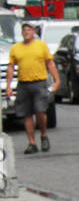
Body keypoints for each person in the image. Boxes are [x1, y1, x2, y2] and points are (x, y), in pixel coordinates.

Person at [6, 21, 59, 153]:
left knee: (40, 111)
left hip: (39, 82)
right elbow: (11, 68)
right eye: (24, 30)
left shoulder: (41, 46)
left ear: (34, 32)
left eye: (29, 30)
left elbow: (50, 63)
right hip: (23, 84)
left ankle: (43, 135)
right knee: (26, 114)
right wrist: (8, 86)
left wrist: (56, 80)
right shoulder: (16, 48)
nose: (26, 32)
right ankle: (32, 143)